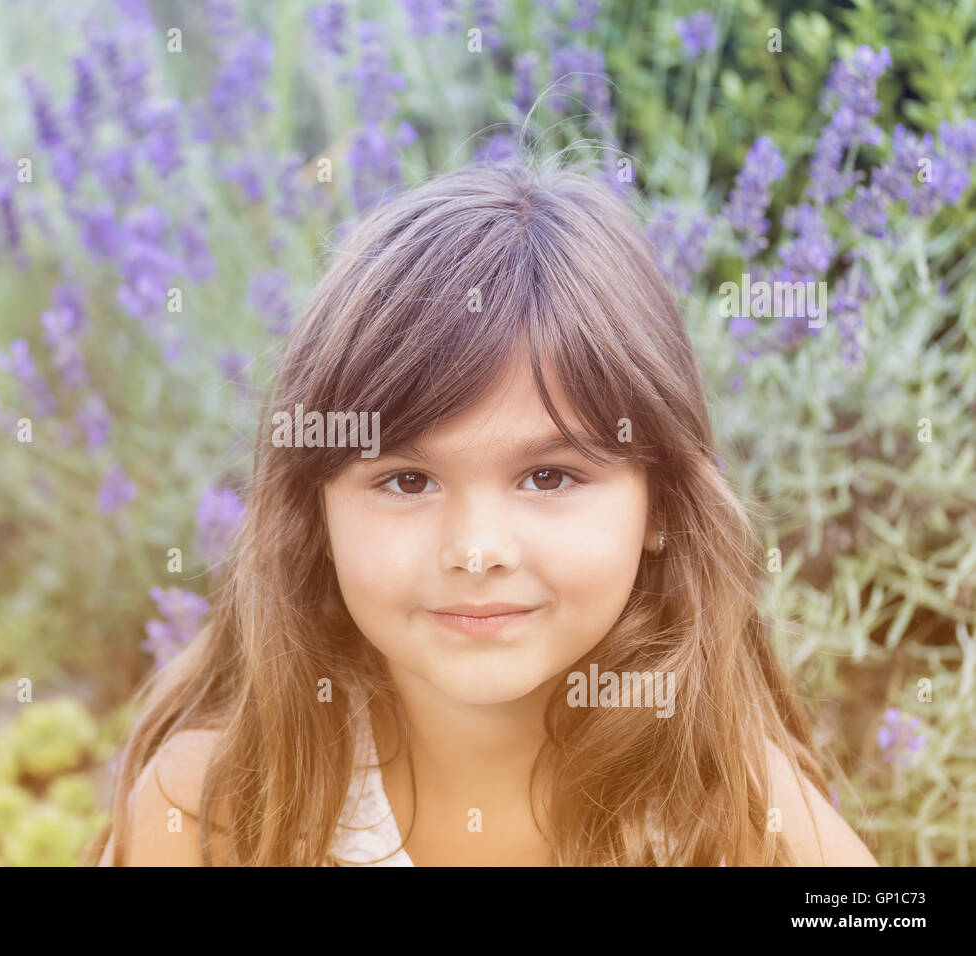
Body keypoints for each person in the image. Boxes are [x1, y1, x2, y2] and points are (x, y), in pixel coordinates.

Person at [88, 157, 878, 866]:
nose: (476, 550)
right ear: (315, 514)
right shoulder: (215, 811)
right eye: (406, 481)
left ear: (661, 505)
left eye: (549, 476)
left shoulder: (731, 816)